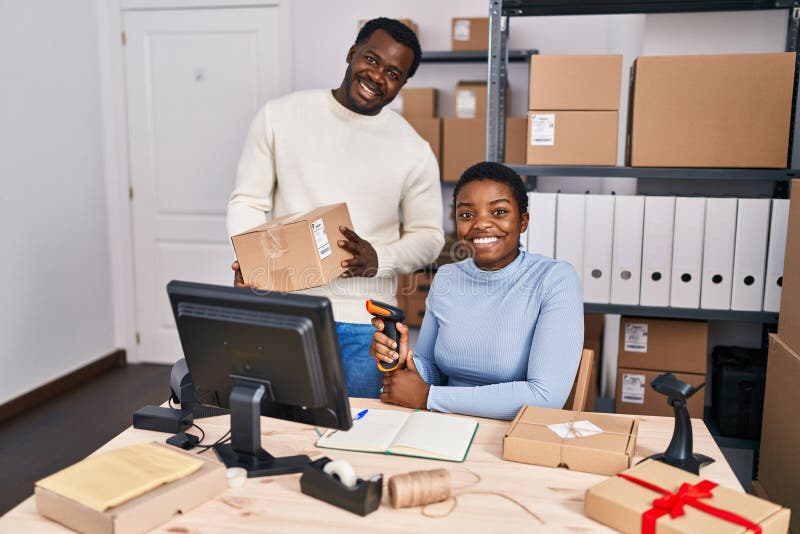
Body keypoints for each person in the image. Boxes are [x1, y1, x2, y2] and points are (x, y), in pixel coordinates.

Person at [227, 18, 444, 398]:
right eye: (371, 59)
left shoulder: (414, 150)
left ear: (402, 84)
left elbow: (429, 238)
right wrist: (251, 257)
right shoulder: (280, 116)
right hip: (287, 312)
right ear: (351, 53)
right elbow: (248, 200)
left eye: (393, 73)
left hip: (368, 324)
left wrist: (380, 257)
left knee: (361, 425)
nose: (377, 76)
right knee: (282, 422)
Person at [369, 161, 584, 420]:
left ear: (523, 221)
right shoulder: (447, 277)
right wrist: (406, 360)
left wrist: (429, 397)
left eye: (499, 212)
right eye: (467, 215)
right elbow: (433, 371)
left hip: (507, 430)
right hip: (441, 422)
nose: (481, 224)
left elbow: (546, 397)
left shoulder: (555, 279)